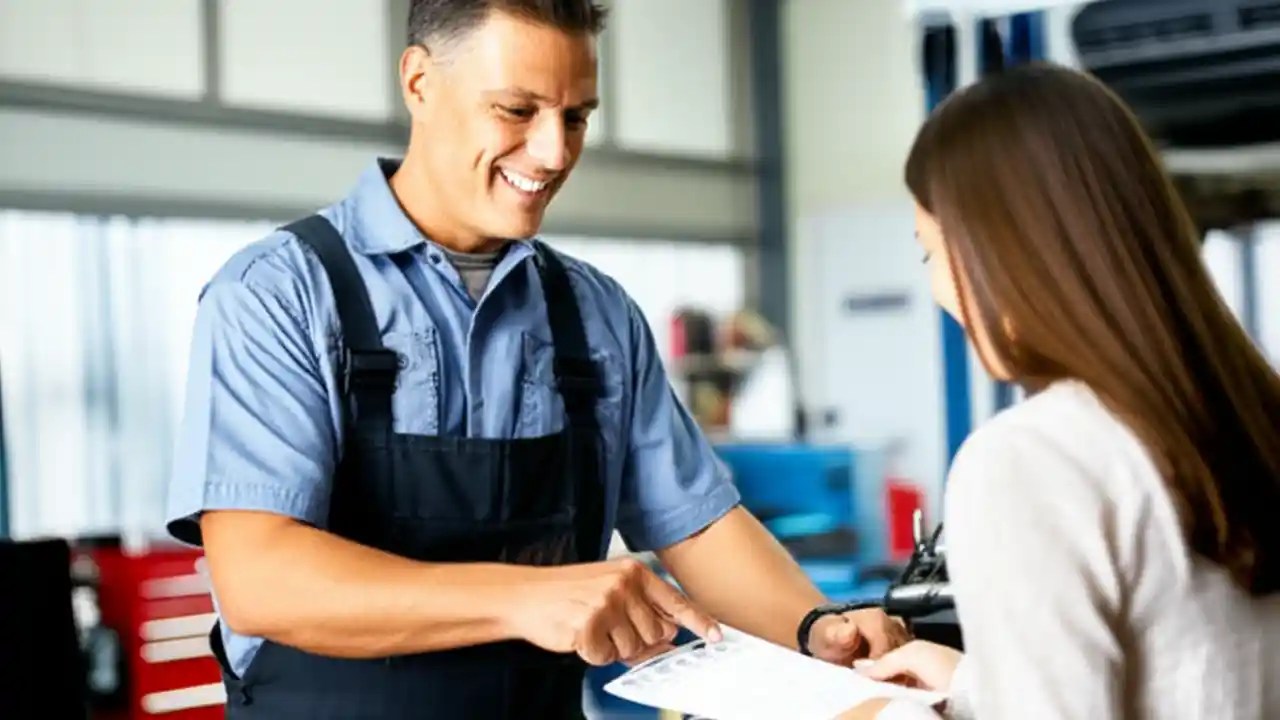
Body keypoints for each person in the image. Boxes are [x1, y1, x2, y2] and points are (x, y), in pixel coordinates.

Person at [163, 1, 907, 717]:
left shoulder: (596, 316)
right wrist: (527, 596)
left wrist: (817, 628)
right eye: (517, 110)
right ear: (419, 82)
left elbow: (697, 524)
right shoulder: (279, 294)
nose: (554, 152)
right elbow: (262, 578)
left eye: (577, 116)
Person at [836, 62, 1280, 719]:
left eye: (932, 254)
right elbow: (1180, 669)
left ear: (1000, 253)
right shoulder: (1251, 413)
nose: (940, 292)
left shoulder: (1027, 462)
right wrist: (970, 687)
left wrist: (879, 715)